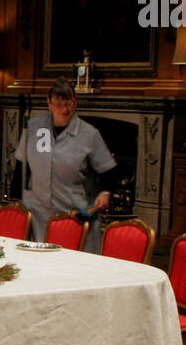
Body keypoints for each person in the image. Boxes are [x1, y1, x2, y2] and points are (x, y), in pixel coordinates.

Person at [13, 78, 120, 253]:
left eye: (68, 104)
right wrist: (16, 199)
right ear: (49, 103)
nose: (65, 110)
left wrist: (105, 192)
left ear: (75, 102)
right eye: (59, 104)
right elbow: (21, 165)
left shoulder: (89, 134)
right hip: (39, 213)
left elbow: (109, 170)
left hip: (75, 215)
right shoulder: (34, 128)